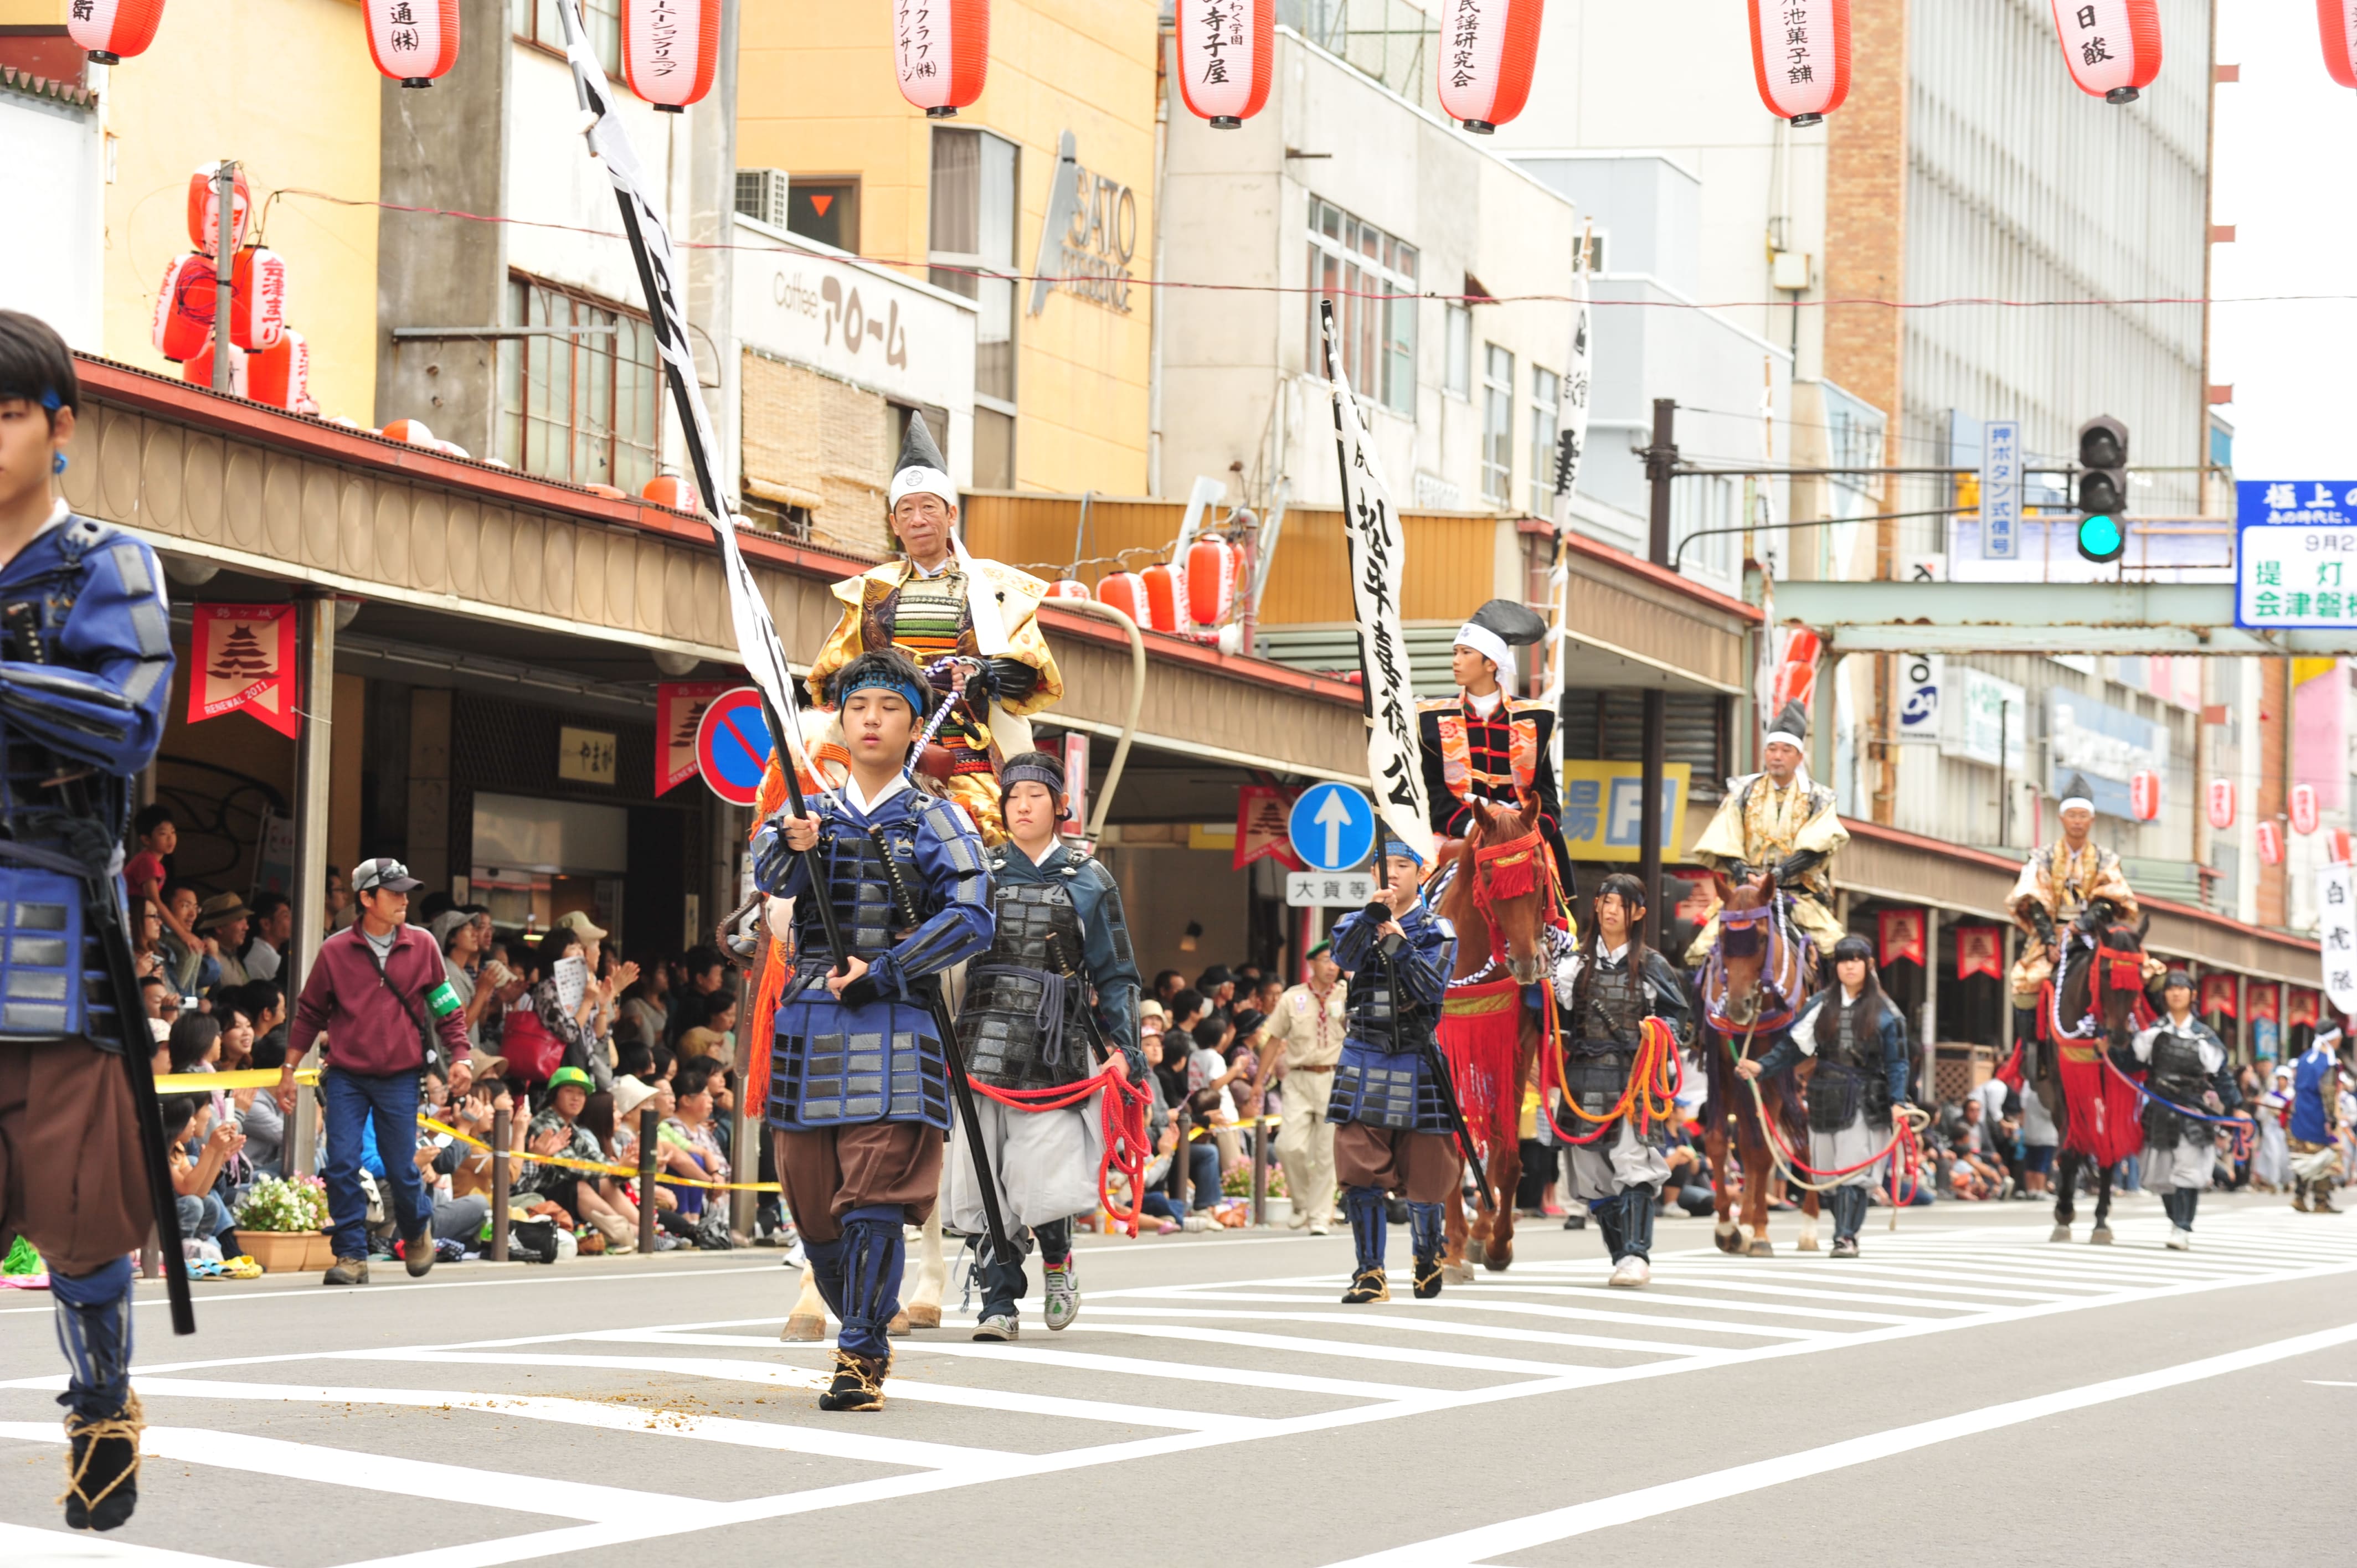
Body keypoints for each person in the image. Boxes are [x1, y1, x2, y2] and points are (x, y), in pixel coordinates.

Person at [0, 313, 177, 1532]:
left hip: (48, 922)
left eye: (4, 411)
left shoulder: (109, 564)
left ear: (59, 426)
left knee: (76, 1204)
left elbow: (130, 723)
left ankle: (102, 1403)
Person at [752, 647, 994, 1411]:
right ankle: (846, 1303)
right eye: (858, 708)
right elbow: (768, 878)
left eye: (888, 708)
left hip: (894, 1020)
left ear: (912, 725)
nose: (871, 721)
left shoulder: (935, 817)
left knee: (874, 1199)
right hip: (810, 1025)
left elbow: (972, 913)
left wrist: (888, 968)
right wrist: (787, 844)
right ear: (842, 723)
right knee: (813, 1206)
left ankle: (860, 1354)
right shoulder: (809, 813)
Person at [949, 749, 1141, 1340]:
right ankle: (997, 1304)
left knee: (1043, 1172)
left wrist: (1124, 1048)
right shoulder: (977, 871)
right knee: (980, 1171)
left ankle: (1057, 1259)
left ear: (1060, 807)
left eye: (1034, 797)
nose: (1022, 806)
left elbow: (1115, 974)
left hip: (1055, 1044)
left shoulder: (1090, 880)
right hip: (981, 1036)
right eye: (1012, 798)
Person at [805, 416, 1062, 843]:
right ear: (894, 523)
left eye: (929, 507)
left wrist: (984, 675)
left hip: (966, 747)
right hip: (882, 741)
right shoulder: (870, 591)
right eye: (907, 510)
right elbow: (831, 676)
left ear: (951, 514)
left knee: (992, 831)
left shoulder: (997, 587)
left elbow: (1032, 669)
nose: (918, 519)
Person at [282, 858, 470, 1286]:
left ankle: (417, 1225)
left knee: (400, 1165)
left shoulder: (423, 945)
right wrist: (289, 1068)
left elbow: (446, 1008)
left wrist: (461, 1055)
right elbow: (309, 1013)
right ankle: (351, 1254)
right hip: (347, 1075)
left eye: (407, 892)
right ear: (367, 899)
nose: (405, 900)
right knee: (343, 1163)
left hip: (401, 1075)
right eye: (394, 892)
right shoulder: (335, 951)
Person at [1327, 837, 1460, 1303]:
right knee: (1359, 1167)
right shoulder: (1353, 923)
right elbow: (1343, 958)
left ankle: (1427, 1257)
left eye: (1404, 865)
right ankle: (1370, 1272)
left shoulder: (1439, 930)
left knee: (1427, 1172)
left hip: (1419, 1057)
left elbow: (1430, 990)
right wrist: (1371, 919)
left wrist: (1401, 947)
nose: (1393, 874)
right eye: (1385, 866)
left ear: (1421, 874)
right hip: (1364, 1054)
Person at [1550, 872, 1692, 1286]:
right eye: (1606, 901)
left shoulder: (1653, 965)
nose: (1612, 910)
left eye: (1622, 904)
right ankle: (1620, 1256)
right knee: (1593, 1176)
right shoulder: (1571, 964)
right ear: (1596, 905)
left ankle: (1636, 1255)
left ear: (1639, 914)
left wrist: (1660, 1029)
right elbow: (1550, 1019)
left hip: (1635, 1078)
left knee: (1634, 1164)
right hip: (1581, 1077)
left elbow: (1678, 1018)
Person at [1740, 935, 1911, 1256]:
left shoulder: (1887, 1012)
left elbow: (1898, 1062)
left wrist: (1899, 1102)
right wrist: (1761, 1067)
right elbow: (1793, 1048)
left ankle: (1846, 1237)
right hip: (1823, 1097)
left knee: (1852, 1172)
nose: (1850, 966)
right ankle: (1843, 1231)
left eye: (1856, 960)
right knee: (1826, 1173)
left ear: (1868, 965)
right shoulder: (1820, 1004)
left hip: (1864, 1096)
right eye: (1844, 960)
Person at [1418, 598, 1568, 889]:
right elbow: (1433, 793)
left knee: (1555, 911)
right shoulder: (1431, 719)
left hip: (1523, 836)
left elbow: (1547, 797)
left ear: (1491, 663)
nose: (1456, 661)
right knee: (1414, 904)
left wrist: (1524, 832)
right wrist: (1472, 825)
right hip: (1455, 834)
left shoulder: (1535, 718)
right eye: (1455, 652)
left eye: (1465, 653)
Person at [1686, 701, 1847, 963]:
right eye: (1772, 749)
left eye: (1786, 750)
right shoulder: (1743, 791)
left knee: (1839, 951)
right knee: (1701, 951)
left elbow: (1817, 846)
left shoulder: (1819, 798)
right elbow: (1723, 839)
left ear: (1799, 757)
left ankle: (1830, 1003)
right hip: (1746, 895)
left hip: (1796, 895)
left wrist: (1778, 874)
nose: (1777, 756)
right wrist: (1744, 873)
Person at [2006, 775, 2156, 1041]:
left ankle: (2153, 1037)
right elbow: (2035, 901)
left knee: (2148, 971)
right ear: (2062, 819)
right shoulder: (2042, 857)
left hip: (2097, 934)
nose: (2077, 821)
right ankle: (2031, 1051)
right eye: (2072, 815)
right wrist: (2051, 941)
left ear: (2092, 820)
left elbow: (2112, 897)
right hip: (2050, 935)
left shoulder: (2106, 859)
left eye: (2083, 815)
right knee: (2027, 983)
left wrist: (2083, 924)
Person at [2126, 970, 2238, 1250]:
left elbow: (2221, 1075)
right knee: (2162, 1174)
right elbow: (2131, 1063)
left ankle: (2182, 1227)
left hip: (2192, 1109)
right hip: (2160, 1110)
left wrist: (2237, 1107)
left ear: (2193, 995)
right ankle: (2175, 1220)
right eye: (2171, 988)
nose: (2176, 993)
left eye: (2182, 988)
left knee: (2188, 1171)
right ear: (2164, 995)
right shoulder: (2153, 1033)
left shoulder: (2204, 1036)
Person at [1255, 940, 1345, 1233]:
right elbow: (1274, 1039)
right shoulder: (1293, 998)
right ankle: (1302, 1203)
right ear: (1312, 963)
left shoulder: (1347, 995)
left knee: (1326, 1152)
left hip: (1334, 1078)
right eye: (1325, 960)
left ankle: (1319, 1217)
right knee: (1288, 1146)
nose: (1332, 967)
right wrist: (1259, 1081)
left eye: (1335, 961)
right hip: (1298, 1078)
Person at [519, 1065, 641, 1252]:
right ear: (554, 1094)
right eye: (569, 1091)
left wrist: (618, 1169)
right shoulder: (545, 1124)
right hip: (535, 1194)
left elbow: (598, 1160)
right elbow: (570, 1168)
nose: (576, 1098)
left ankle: (645, 1230)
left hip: (562, 1192)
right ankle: (630, 1234)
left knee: (604, 1182)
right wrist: (614, 1168)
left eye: (581, 1094)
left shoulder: (572, 1128)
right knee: (581, 1185)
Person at [2289, 1023, 2345, 1211]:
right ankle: (2321, 1201)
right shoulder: (2326, 1063)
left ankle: (2300, 1196)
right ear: (2333, 1039)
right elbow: (2328, 1093)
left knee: (2304, 1155)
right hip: (2317, 1115)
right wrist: (2332, 1118)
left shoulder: (2304, 1058)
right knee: (2323, 1157)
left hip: (2300, 1113)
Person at [194, 893, 254, 989]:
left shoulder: (233, 955)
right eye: (239, 920)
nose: (246, 927)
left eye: (246, 920)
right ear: (219, 928)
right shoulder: (204, 957)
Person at [241, 891, 291, 983]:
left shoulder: (262, 953)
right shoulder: (267, 958)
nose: (292, 920)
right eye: (286, 916)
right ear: (266, 924)